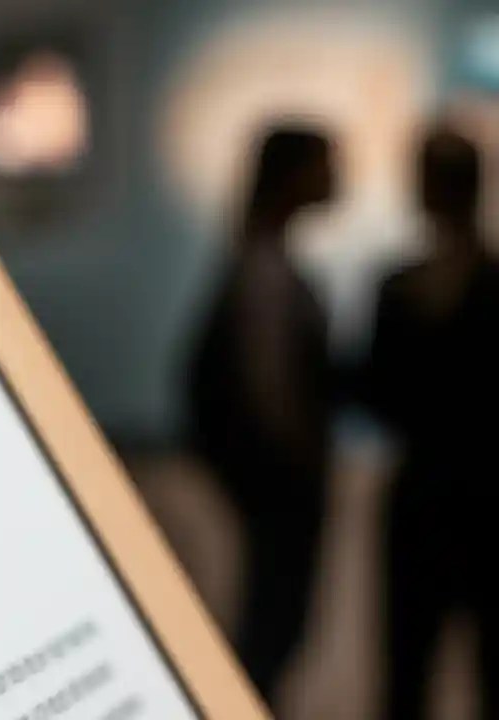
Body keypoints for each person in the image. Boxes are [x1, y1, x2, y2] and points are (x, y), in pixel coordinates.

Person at [189, 127, 337, 704]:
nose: (336, 178)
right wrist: (299, 469)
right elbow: (272, 397)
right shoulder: (266, 271)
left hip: (275, 483)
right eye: (326, 164)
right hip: (280, 486)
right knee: (270, 630)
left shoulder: (263, 261)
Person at [366, 127, 499, 719]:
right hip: (473, 492)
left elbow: (376, 392)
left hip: (436, 493)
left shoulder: (402, 287)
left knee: (412, 667)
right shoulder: (408, 286)